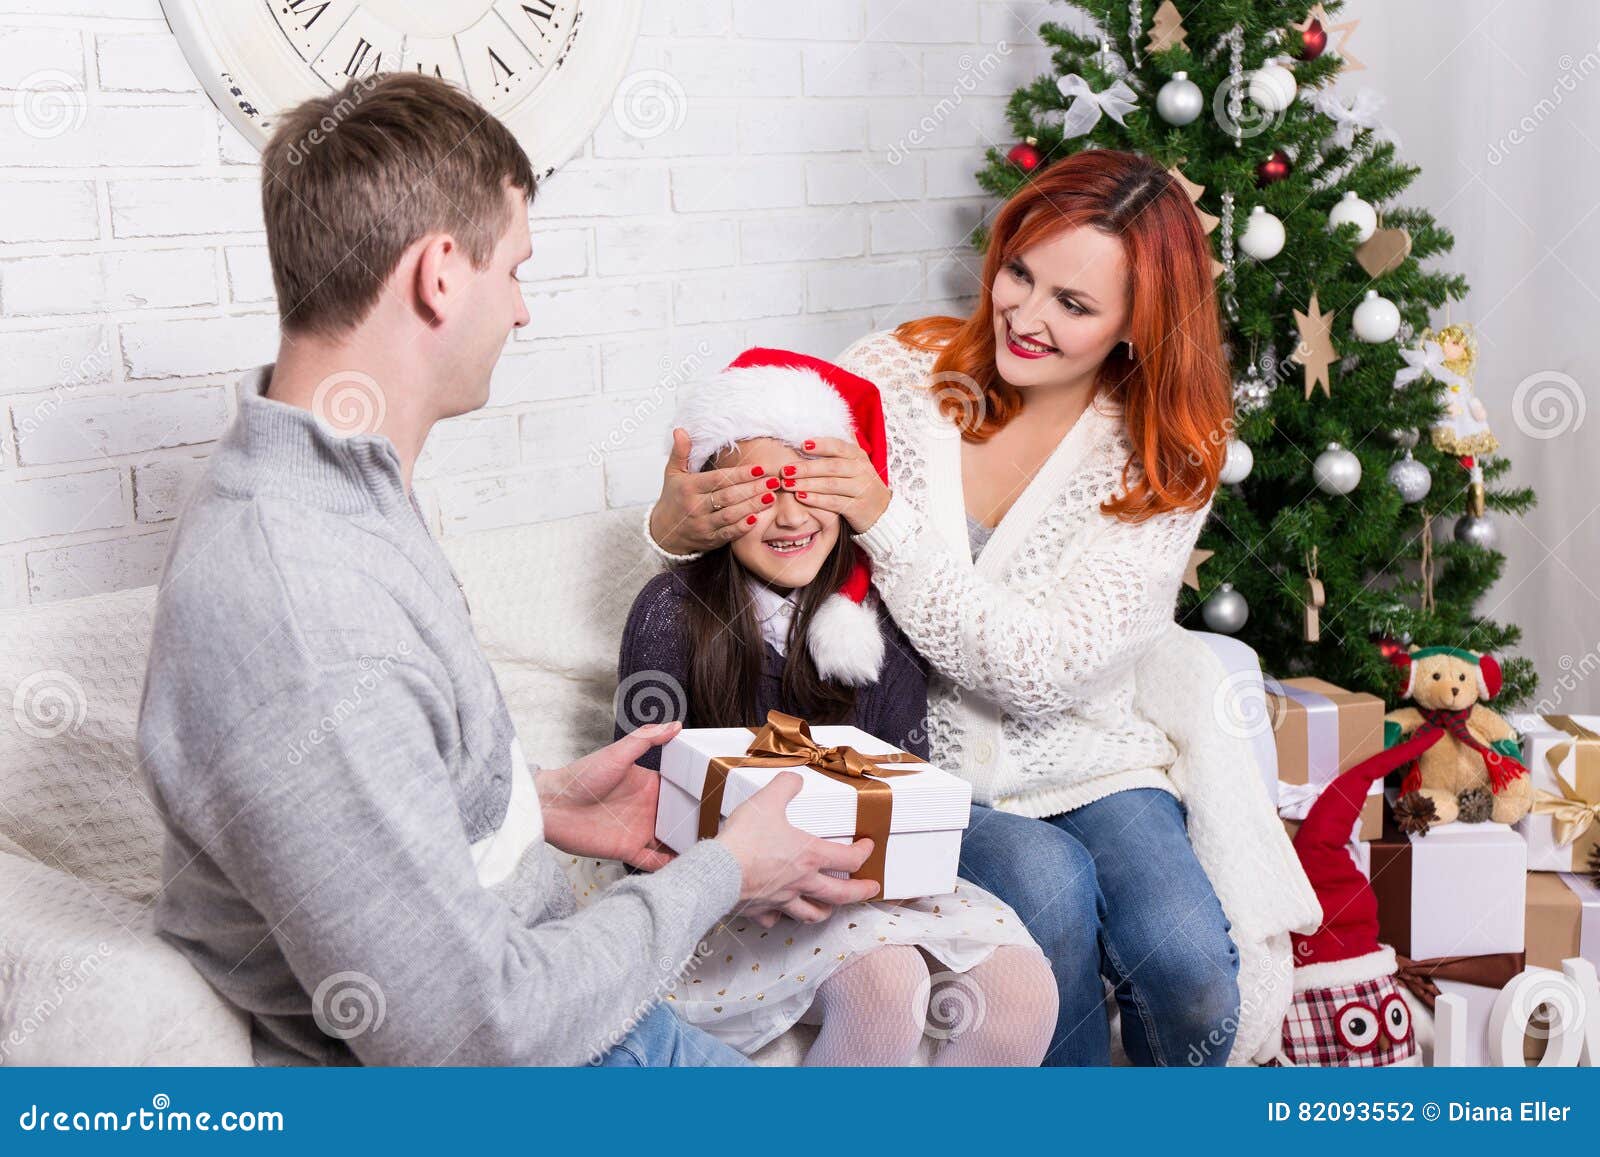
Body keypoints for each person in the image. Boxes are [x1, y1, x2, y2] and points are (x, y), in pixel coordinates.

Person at [136, 72, 884, 1069]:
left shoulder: (331, 487)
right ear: (440, 274)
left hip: (587, 1017)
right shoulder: (310, 602)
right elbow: (470, 1032)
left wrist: (529, 800)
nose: (523, 312)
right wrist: (722, 870)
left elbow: (361, 786)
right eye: (515, 269)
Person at [644, 150, 1321, 1065]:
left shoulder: (1168, 457)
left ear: (1138, 325)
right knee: (1048, 888)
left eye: (1074, 306)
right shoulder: (895, 374)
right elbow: (776, 516)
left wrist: (886, 522)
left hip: (1091, 755)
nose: (1026, 317)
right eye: (1019, 273)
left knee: (1193, 969)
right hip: (917, 757)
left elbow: (1042, 673)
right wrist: (676, 522)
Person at [616, 349, 1056, 1065]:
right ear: (716, 502)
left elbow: (905, 795)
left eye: (808, 486)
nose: (790, 515)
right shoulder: (672, 614)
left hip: (863, 885)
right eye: (760, 492)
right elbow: (647, 810)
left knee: (1021, 988)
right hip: (726, 894)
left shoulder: (875, 622)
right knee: (884, 983)